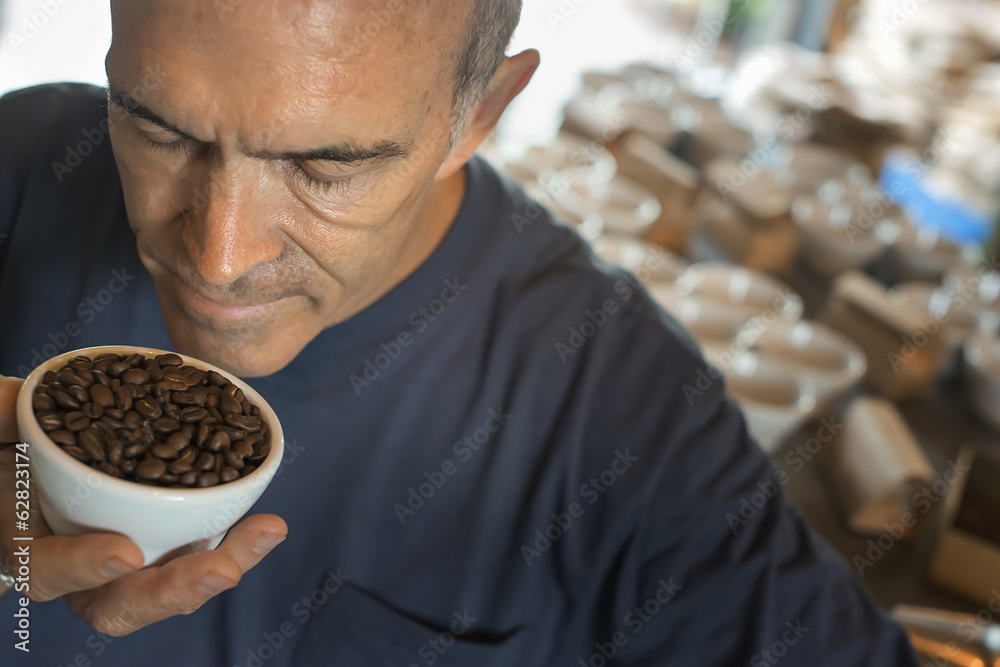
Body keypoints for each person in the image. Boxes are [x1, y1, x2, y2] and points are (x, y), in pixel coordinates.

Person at [0, 0, 919, 664]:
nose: (218, 252)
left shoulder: (625, 409)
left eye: (327, 168)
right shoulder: (21, 163)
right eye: (157, 128)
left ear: (478, 114)